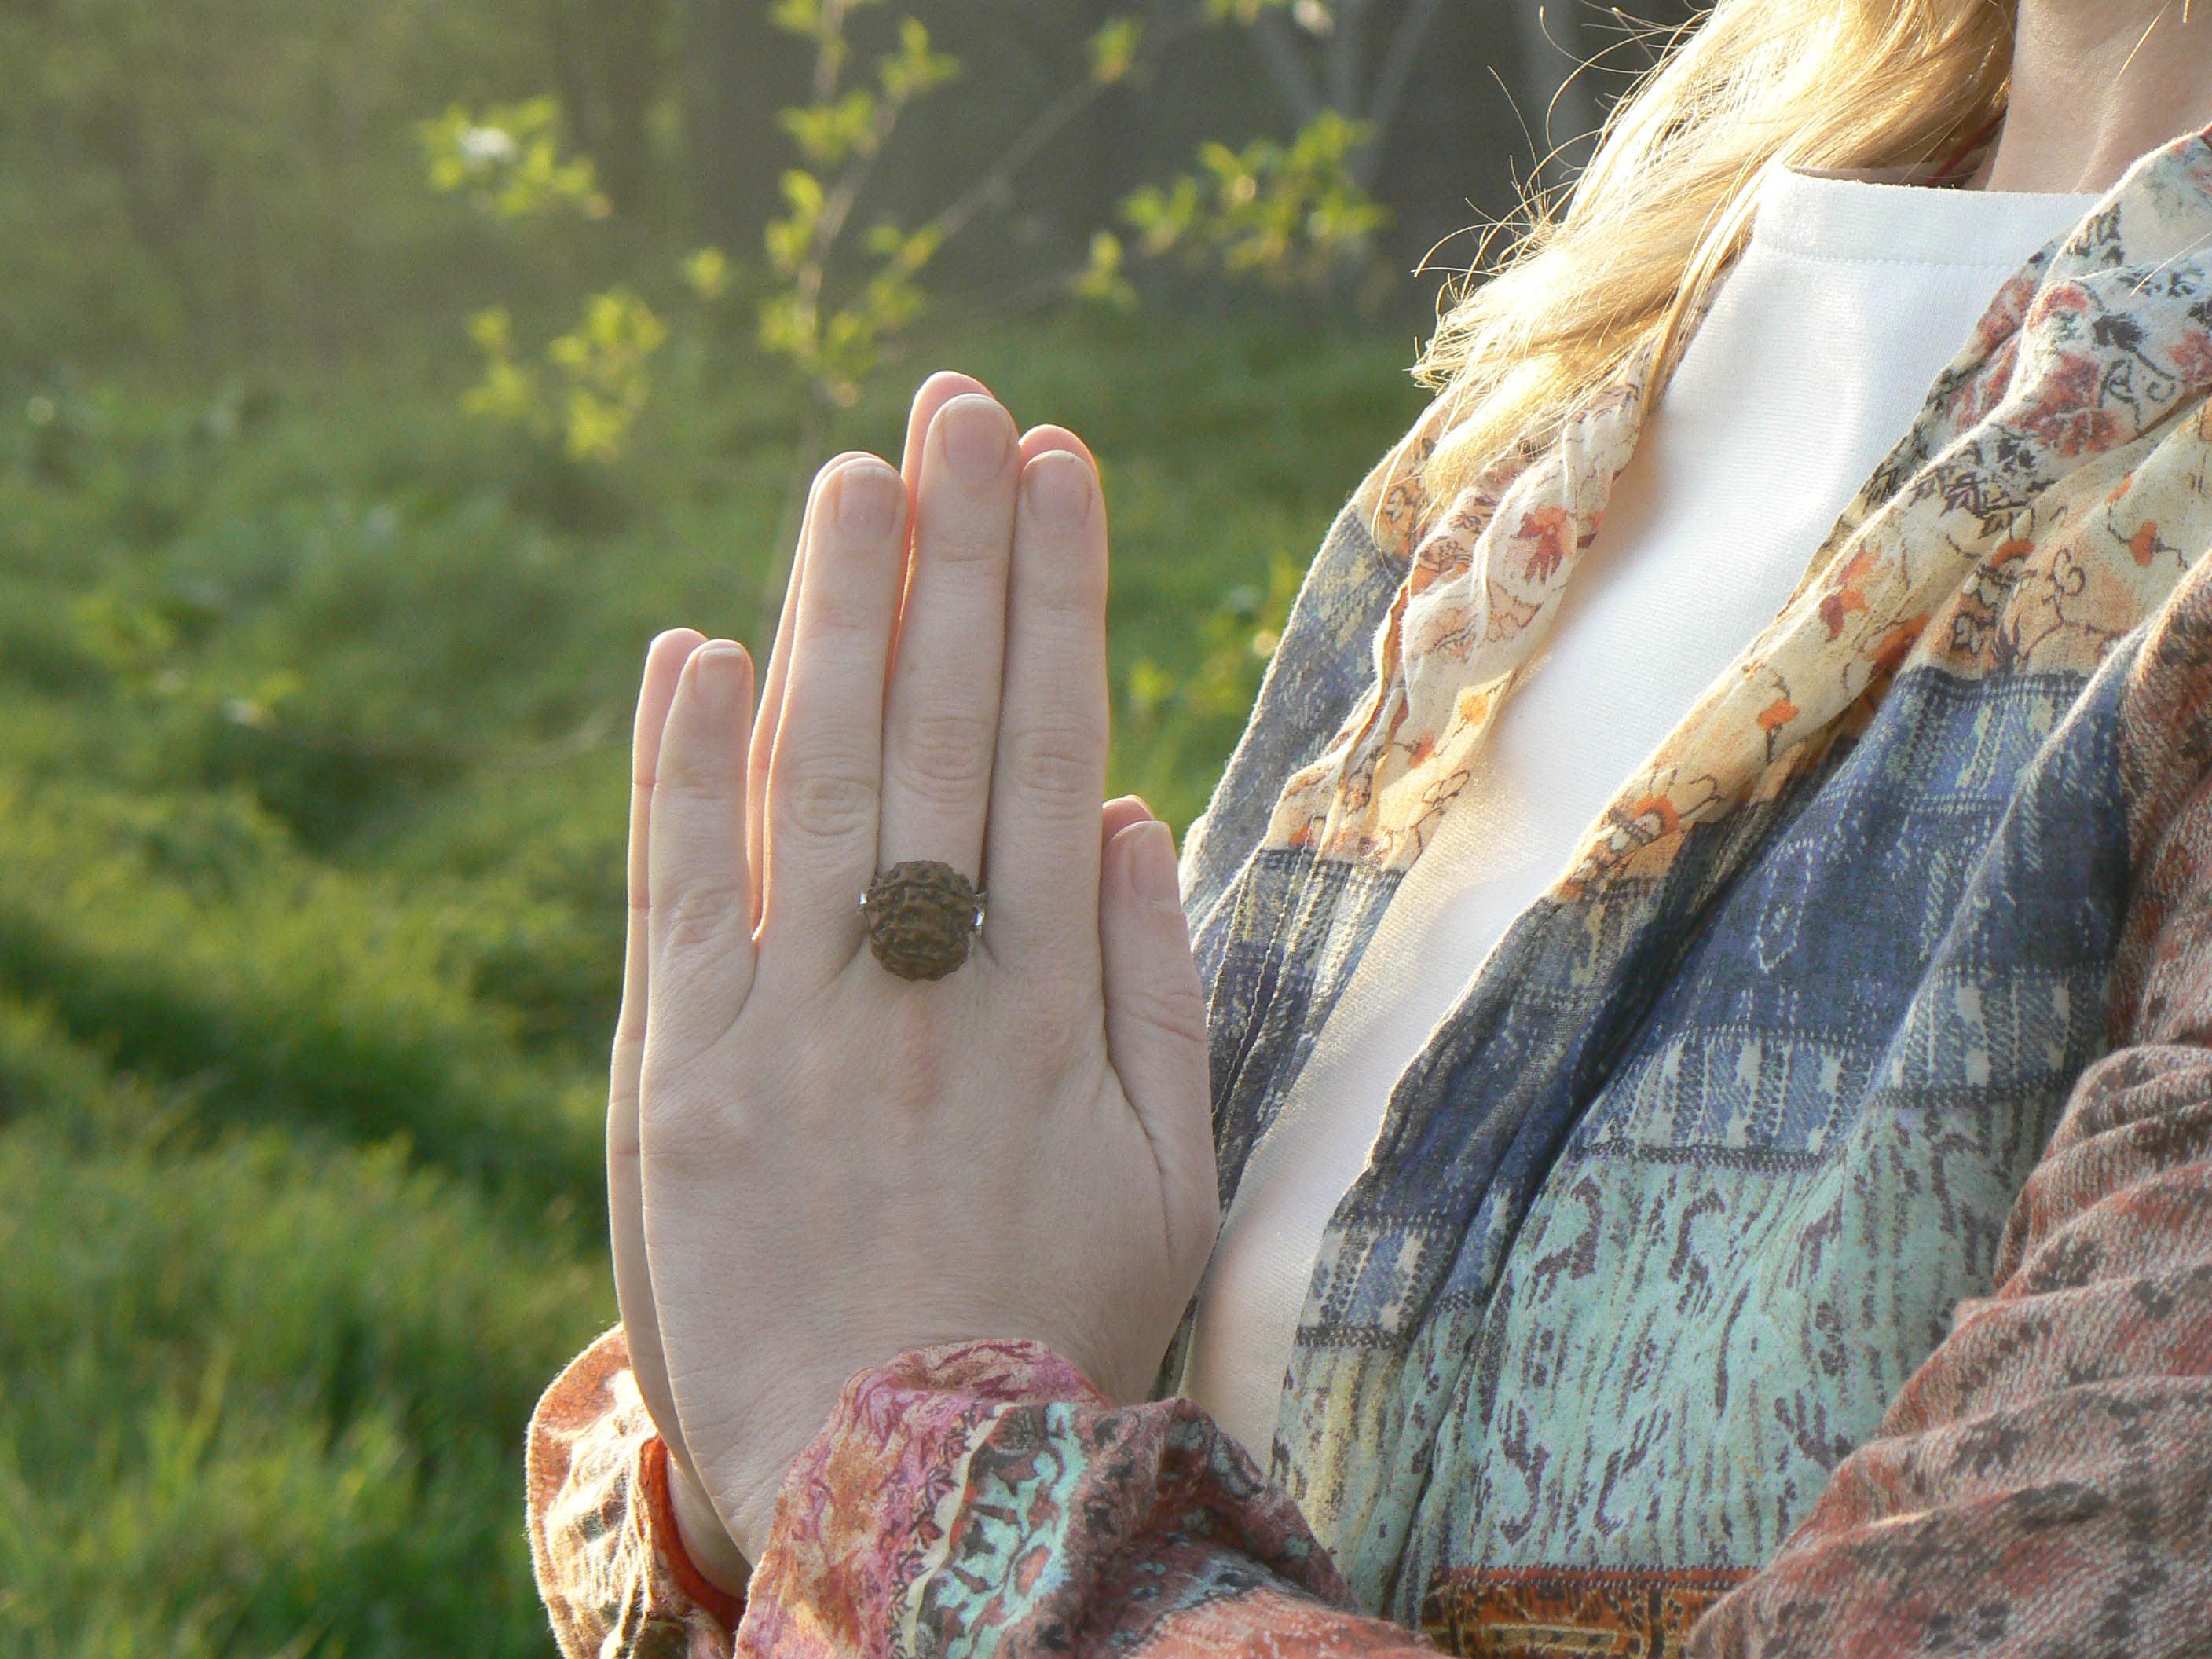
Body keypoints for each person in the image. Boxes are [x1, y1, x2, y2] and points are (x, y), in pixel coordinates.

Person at [525, 1, 2212, 1652]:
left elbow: (901, 1423)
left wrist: (905, 1476)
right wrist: (752, 1453)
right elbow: (970, 1340)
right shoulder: (1603, 374)